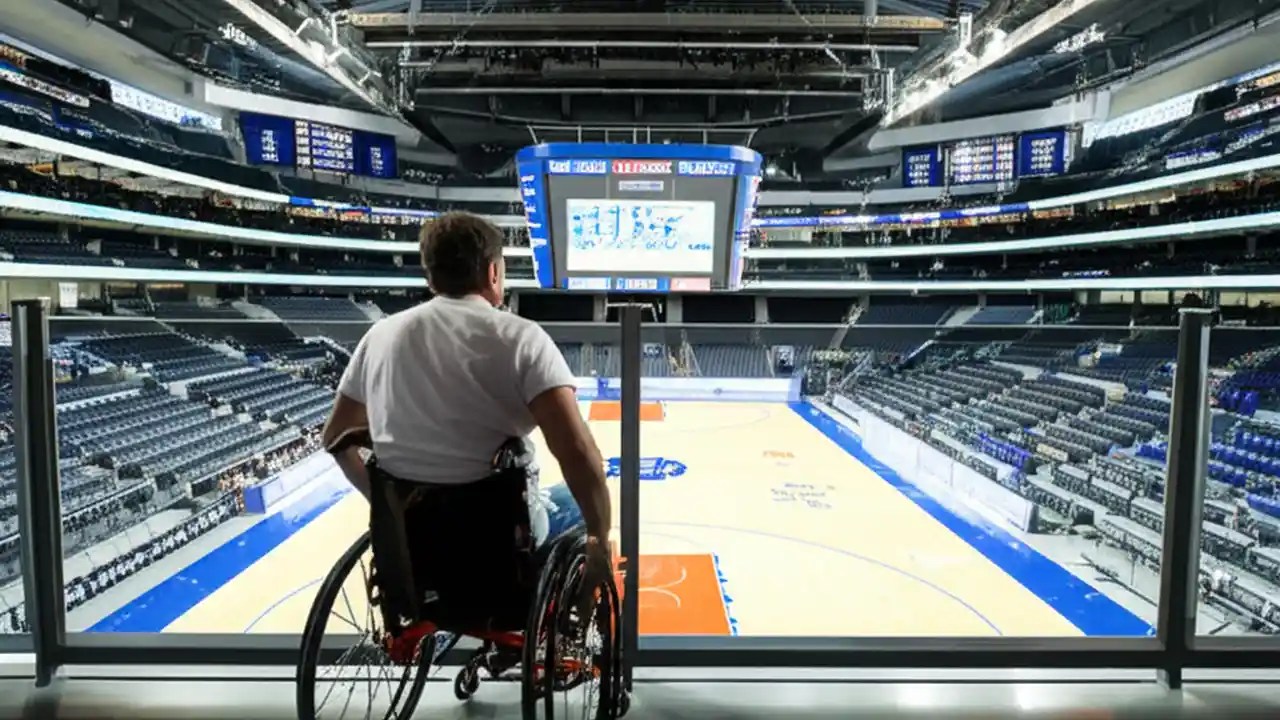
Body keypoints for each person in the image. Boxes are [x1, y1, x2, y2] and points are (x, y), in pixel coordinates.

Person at [322, 211, 613, 615]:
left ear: (431, 276)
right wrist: (600, 536)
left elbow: (335, 437)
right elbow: (577, 452)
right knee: (572, 505)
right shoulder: (521, 338)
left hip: (412, 543)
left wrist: (388, 508)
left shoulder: (380, 336)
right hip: (494, 547)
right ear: (494, 273)